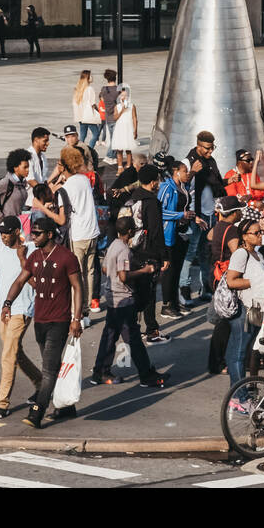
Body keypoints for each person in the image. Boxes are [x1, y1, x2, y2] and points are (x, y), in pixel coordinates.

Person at [2, 217, 83, 428]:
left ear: (49, 234)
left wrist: (76, 319)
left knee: (48, 371)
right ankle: (66, 408)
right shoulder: (35, 256)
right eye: (32, 233)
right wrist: (7, 303)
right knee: (51, 368)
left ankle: (36, 412)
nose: (32, 237)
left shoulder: (67, 257)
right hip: (40, 321)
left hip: (59, 321)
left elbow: (78, 287)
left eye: (37, 233)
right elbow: (21, 280)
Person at [0, 215, 42, 420]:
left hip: (22, 308)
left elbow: (35, 283)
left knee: (7, 355)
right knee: (14, 353)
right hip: (3, 309)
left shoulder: (31, 251)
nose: (3, 237)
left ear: (16, 232)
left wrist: (23, 259)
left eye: (6, 234)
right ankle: (42, 384)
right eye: (0, 234)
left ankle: (1, 403)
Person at [90, 217, 168, 389]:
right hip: (123, 299)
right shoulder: (124, 250)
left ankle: (100, 371)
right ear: (131, 231)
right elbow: (123, 276)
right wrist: (145, 270)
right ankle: (146, 376)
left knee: (110, 336)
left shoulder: (113, 245)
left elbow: (104, 269)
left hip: (111, 297)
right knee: (133, 338)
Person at [46, 147, 99, 322]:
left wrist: (44, 209)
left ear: (63, 166)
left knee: (77, 275)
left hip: (79, 234)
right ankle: (89, 307)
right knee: (89, 272)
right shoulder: (84, 180)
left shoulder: (65, 189)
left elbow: (61, 220)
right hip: (93, 231)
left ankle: (79, 312)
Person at [123, 164, 169, 344]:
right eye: (157, 180)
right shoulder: (151, 202)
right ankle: (152, 331)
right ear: (152, 182)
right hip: (148, 252)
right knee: (149, 293)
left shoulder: (133, 198)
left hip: (133, 251)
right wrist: (164, 256)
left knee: (136, 291)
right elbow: (157, 232)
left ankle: (133, 328)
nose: (158, 183)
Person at [225, 210, 264, 381]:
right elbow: (231, 281)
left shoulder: (257, 253)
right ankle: (239, 397)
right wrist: (255, 281)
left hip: (256, 310)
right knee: (238, 355)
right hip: (243, 312)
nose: (260, 235)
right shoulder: (241, 254)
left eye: (260, 232)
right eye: (256, 233)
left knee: (245, 352)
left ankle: (242, 395)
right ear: (245, 236)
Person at [180, 131, 225, 304]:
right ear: (198, 145)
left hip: (209, 214)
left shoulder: (210, 161)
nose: (210, 151)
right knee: (190, 253)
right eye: (207, 148)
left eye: (212, 148)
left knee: (205, 252)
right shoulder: (188, 161)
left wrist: (228, 182)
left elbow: (217, 184)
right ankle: (184, 290)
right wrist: (192, 172)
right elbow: (181, 185)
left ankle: (206, 287)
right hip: (195, 215)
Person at [207, 196, 243, 372]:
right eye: (239, 211)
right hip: (225, 278)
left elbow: (209, 235)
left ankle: (218, 361)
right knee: (226, 321)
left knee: (225, 319)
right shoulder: (231, 230)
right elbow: (237, 254)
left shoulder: (219, 226)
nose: (241, 213)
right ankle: (217, 362)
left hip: (215, 274)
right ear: (234, 213)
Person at [158, 160, 190, 320]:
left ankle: (175, 302)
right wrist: (179, 215)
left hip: (181, 233)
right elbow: (160, 211)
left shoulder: (183, 188)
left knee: (177, 269)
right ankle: (166, 305)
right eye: (185, 171)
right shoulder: (166, 188)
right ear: (176, 171)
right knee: (168, 271)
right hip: (167, 235)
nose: (187, 174)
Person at [0, 149, 32, 244]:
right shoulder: (6, 182)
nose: (28, 170)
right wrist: (0, 215)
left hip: (19, 227)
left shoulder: (22, 183)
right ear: (15, 168)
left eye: (28, 167)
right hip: (6, 230)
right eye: (25, 167)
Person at [109, 83, 138, 172]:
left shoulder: (132, 106)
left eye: (125, 95)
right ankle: (120, 167)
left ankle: (129, 165)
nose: (124, 97)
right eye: (122, 95)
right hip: (120, 129)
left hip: (128, 128)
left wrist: (135, 130)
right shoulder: (117, 107)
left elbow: (134, 118)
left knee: (128, 149)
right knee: (119, 149)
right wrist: (122, 109)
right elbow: (115, 118)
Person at [72, 70, 100, 149]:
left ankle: (79, 150)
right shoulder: (89, 89)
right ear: (88, 78)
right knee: (96, 134)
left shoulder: (77, 89)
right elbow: (93, 104)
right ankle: (90, 150)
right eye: (91, 75)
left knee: (83, 135)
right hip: (88, 116)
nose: (92, 77)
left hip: (80, 116)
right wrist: (99, 112)